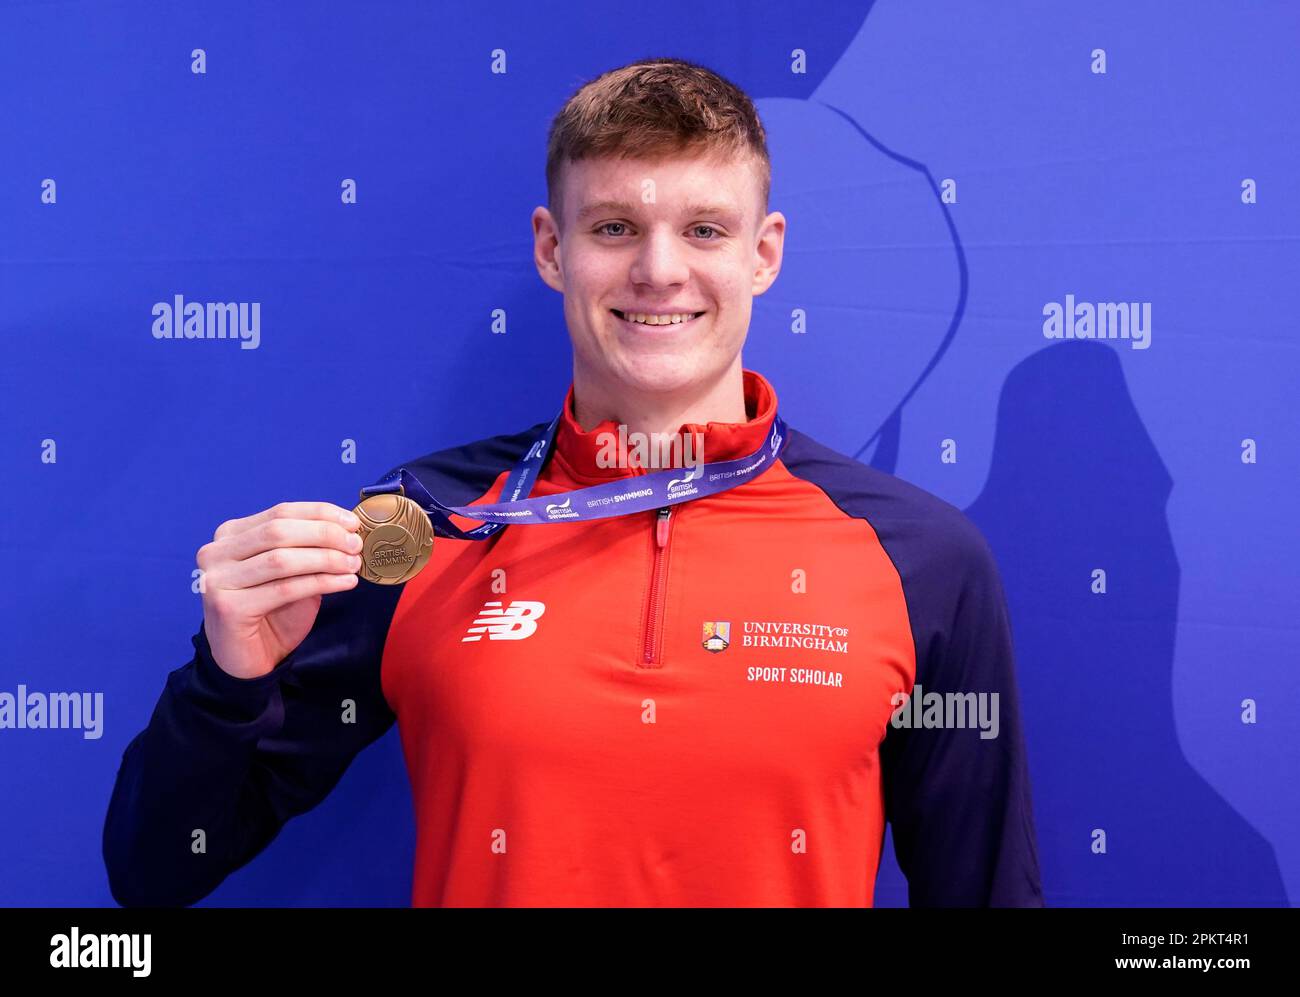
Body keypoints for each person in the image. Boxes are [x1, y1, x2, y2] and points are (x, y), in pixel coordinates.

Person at [103, 57, 1044, 907]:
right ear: (553, 249)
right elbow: (154, 869)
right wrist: (227, 680)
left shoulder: (922, 559)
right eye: (615, 227)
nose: (659, 270)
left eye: (705, 228)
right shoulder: (426, 523)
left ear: (764, 253)